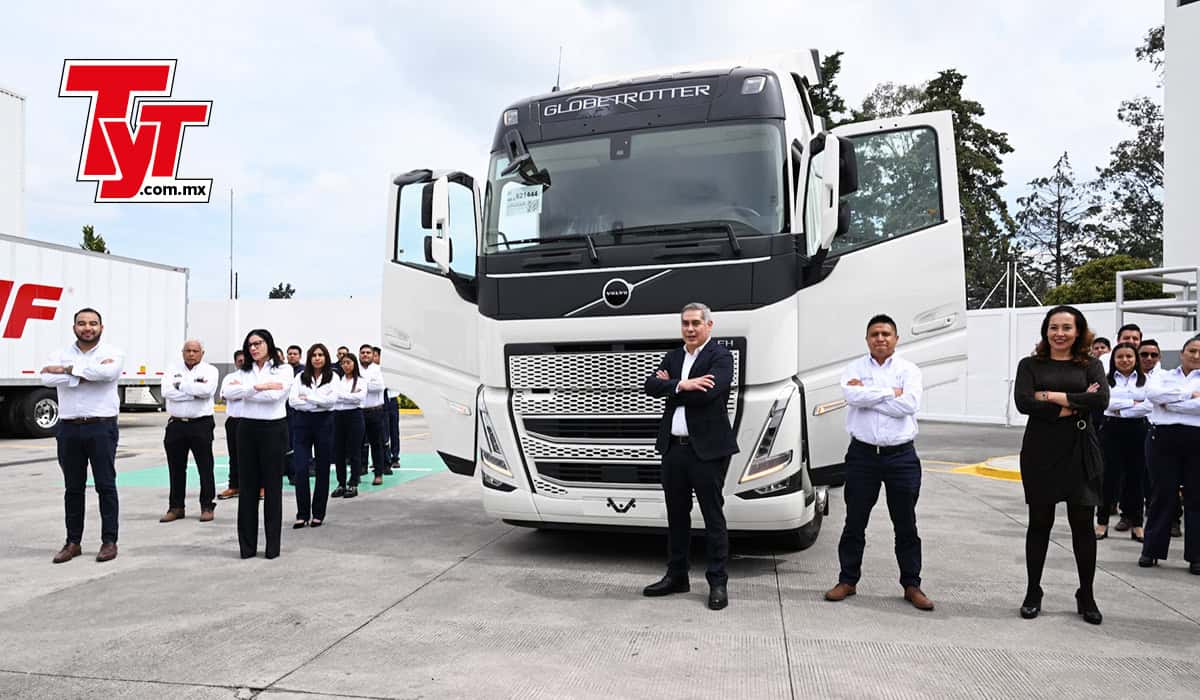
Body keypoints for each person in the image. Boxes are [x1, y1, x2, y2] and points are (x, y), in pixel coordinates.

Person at [824, 314, 933, 612]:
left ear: (896, 339)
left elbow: (909, 405)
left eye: (886, 333)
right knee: (854, 523)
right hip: (862, 456)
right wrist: (889, 394)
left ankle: (912, 584)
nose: (880, 338)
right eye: (874, 334)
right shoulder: (854, 368)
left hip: (901, 457)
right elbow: (851, 396)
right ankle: (847, 580)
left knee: (906, 524)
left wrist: (868, 396)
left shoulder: (909, 370)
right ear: (867, 339)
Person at [1013, 305, 1108, 624]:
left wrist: (1050, 395)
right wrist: (1073, 402)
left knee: (1083, 525)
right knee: (1039, 523)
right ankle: (1033, 591)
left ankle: (1086, 594)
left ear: (1078, 331)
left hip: (1080, 450)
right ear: (1046, 331)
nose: (1060, 333)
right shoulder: (1030, 364)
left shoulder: (1091, 364)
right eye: (1054, 327)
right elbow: (1024, 401)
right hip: (1040, 451)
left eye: (1067, 327)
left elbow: (1101, 400)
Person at [641, 302, 738, 611]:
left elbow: (709, 393)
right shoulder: (673, 356)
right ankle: (677, 575)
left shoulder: (720, 357)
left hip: (707, 451)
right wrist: (682, 384)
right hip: (673, 450)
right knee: (677, 516)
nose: (690, 328)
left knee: (713, 517)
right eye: (685, 323)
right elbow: (650, 386)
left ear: (709, 326)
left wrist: (672, 388)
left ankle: (718, 582)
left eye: (696, 323)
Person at [41, 308, 125, 564]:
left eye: (92, 323)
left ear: (101, 326)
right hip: (68, 428)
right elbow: (45, 377)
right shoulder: (59, 352)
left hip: (101, 427)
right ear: (74, 327)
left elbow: (107, 374)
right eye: (81, 323)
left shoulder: (113, 353)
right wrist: (85, 372)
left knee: (105, 485)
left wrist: (66, 371)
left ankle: (109, 541)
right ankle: (73, 542)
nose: (87, 327)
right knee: (73, 488)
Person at [222, 329, 293, 559]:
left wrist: (246, 393)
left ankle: (272, 547)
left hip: (273, 429)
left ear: (268, 344)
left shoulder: (283, 369)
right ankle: (247, 547)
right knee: (248, 488)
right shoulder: (243, 371)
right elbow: (227, 392)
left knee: (272, 488)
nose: (253, 348)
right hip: (247, 429)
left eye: (258, 343)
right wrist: (257, 388)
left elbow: (275, 396)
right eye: (250, 344)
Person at [1139, 334, 1200, 574]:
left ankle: (1196, 556)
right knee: (1162, 494)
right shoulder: (1161, 375)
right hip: (1163, 440)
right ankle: (1151, 550)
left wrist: (1171, 403)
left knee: (1196, 497)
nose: (1196, 356)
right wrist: (1190, 397)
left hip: (1197, 440)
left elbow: (1165, 401)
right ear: (1182, 353)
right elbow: (1153, 395)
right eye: (1192, 351)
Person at [159, 339, 220, 523]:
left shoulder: (210, 370)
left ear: (202, 353)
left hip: (200, 423)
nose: (191, 354)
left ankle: (207, 505)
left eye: (195, 351)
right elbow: (166, 392)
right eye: (188, 350)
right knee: (176, 467)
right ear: (182, 352)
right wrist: (193, 392)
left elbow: (207, 391)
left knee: (205, 466)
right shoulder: (172, 369)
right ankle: (176, 507)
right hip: (176, 424)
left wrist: (181, 386)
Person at [1096, 343, 1150, 541]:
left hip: (1138, 430)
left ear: (1135, 359)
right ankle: (1102, 523)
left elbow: (1149, 406)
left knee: (1136, 480)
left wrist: (1119, 408)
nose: (1125, 360)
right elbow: (1103, 402)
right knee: (1108, 478)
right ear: (1113, 360)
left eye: (1129, 356)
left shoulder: (1146, 380)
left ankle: (1137, 525)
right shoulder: (1106, 380)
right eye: (1120, 357)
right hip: (1111, 430)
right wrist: (1132, 404)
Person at [288, 344, 337, 528]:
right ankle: (302, 513)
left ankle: (318, 513)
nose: (317, 358)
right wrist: (317, 402)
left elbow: (331, 402)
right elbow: (293, 401)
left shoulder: (334, 377)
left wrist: (308, 398)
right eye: (314, 355)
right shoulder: (301, 377)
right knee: (300, 468)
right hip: (302, 423)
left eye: (320, 355)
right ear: (309, 358)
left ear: (326, 357)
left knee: (322, 469)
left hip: (324, 423)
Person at [331, 353, 367, 498]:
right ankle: (341, 483)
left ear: (354, 364)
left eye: (348, 362)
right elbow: (332, 398)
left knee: (354, 451)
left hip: (354, 416)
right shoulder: (337, 381)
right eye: (343, 363)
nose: (346, 365)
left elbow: (359, 398)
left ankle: (353, 483)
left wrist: (341, 395)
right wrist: (348, 395)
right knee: (339, 452)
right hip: (338, 416)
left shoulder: (361, 381)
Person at [217, 350, 247, 500]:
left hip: (249, 420)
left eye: (244, 360)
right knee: (233, 455)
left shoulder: (253, 376)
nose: (242, 362)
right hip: (233, 421)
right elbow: (224, 395)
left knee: (253, 457)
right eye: (239, 360)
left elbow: (254, 393)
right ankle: (234, 486)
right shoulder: (230, 377)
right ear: (235, 362)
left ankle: (260, 487)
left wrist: (238, 391)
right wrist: (244, 391)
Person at [358, 343, 388, 486]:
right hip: (358, 412)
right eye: (362, 352)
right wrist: (368, 384)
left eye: (368, 353)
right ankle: (356, 474)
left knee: (376, 444)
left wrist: (361, 385)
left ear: (372, 355)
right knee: (356, 445)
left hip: (375, 412)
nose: (365, 355)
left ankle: (378, 474)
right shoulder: (354, 369)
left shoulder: (379, 369)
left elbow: (379, 387)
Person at [376, 346, 400, 473]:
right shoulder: (373, 372)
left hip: (391, 401)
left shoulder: (389, 370)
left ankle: (395, 457)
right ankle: (381, 459)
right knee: (382, 433)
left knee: (393, 430)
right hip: (381, 402)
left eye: (375, 355)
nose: (373, 358)